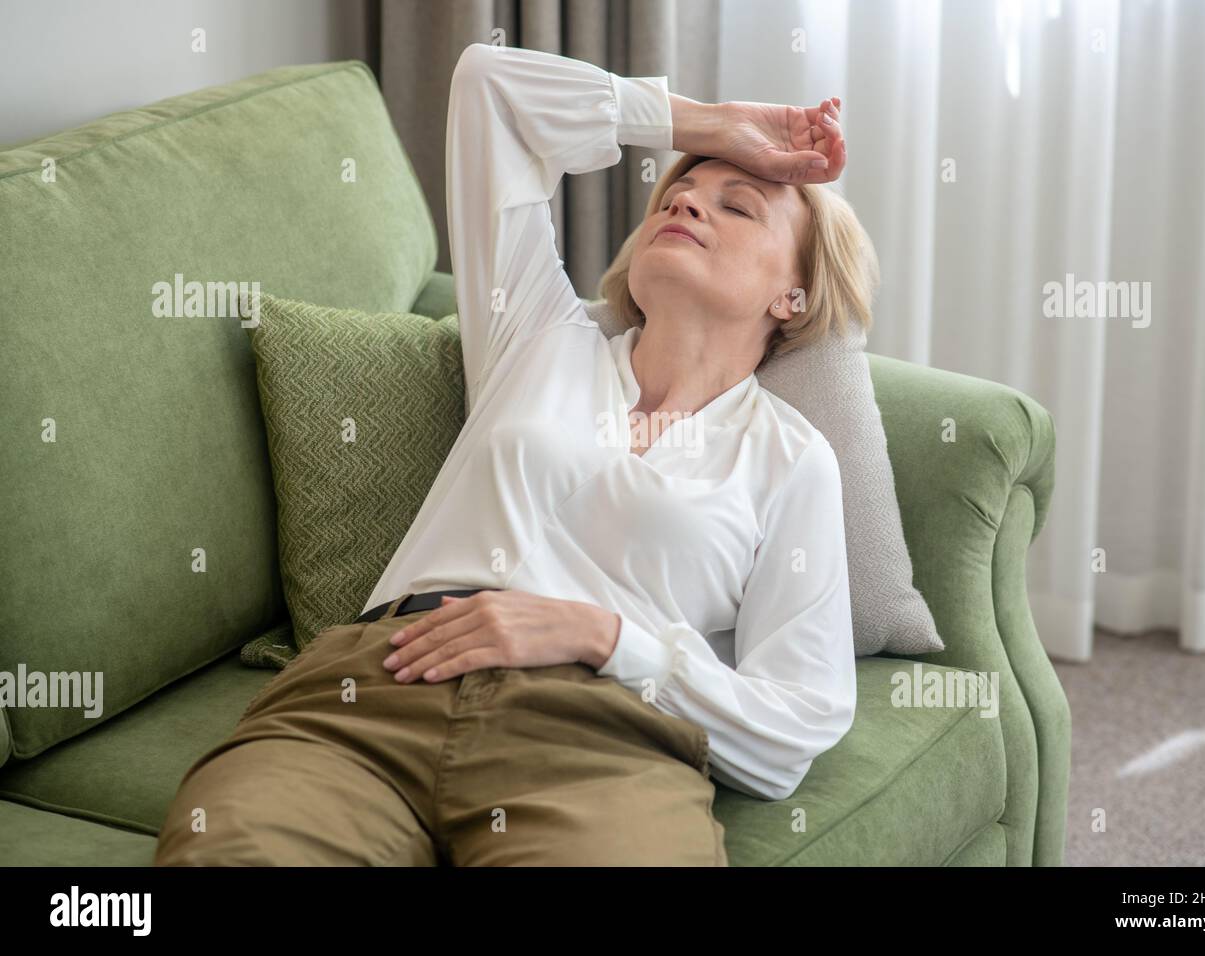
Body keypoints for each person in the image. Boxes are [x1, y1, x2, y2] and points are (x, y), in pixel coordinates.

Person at [154, 41, 877, 867]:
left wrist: (605, 637)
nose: (685, 204)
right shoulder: (536, 336)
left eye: (737, 205)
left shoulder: (790, 459)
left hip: (600, 741)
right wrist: (714, 125)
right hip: (375, 692)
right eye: (677, 192)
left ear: (794, 295)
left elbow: (793, 727)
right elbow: (486, 86)